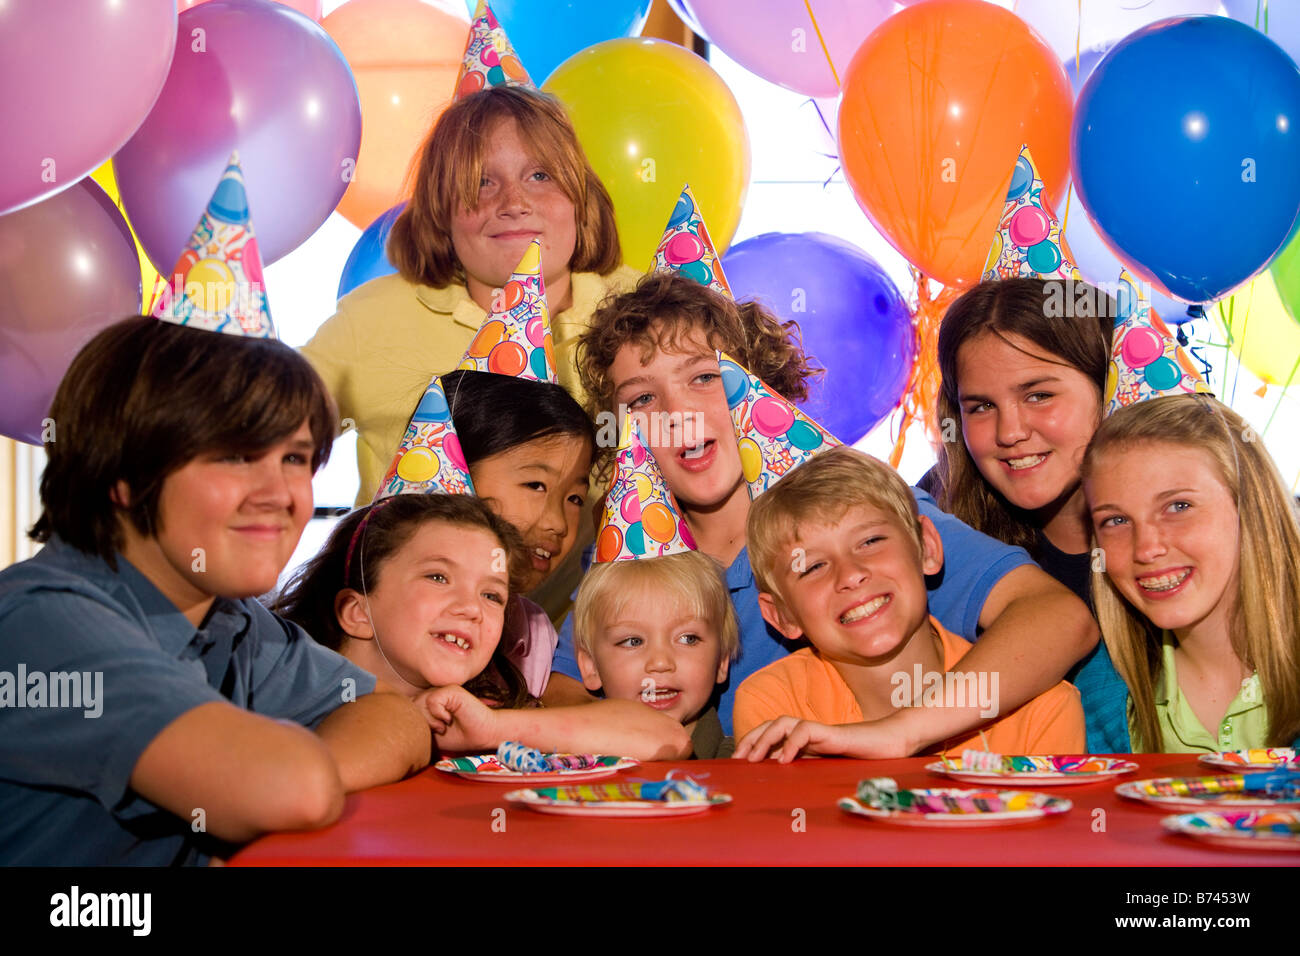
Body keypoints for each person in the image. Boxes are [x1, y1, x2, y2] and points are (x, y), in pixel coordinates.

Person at [544, 273, 1098, 758]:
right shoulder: (631, 555)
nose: (677, 414)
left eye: (704, 378)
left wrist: (908, 730)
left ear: (759, 384)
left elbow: (1058, 618)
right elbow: (566, 695)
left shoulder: (858, 518)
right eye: (641, 399)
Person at [0, 317, 432, 865]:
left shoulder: (233, 620)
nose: (278, 494)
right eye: (235, 455)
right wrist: (277, 779)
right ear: (123, 473)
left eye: (294, 459)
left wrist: (291, 772)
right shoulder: (43, 625)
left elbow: (392, 715)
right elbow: (291, 791)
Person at [301, 86, 642, 506]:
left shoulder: (645, 308)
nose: (514, 203)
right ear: (441, 211)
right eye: (482, 182)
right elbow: (253, 424)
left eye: (540, 176)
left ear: (580, 198)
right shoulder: (372, 320)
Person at [275, 493, 690, 761]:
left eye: (492, 595)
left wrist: (492, 728)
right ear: (357, 612)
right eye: (438, 577)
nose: (472, 609)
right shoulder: (283, 701)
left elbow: (665, 737)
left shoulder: (478, 710)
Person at [732, 446, 1085, 760]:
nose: (850, 575)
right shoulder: (775, 705)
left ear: (927, 547)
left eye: (870, 541)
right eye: (812, 567)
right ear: (782, 616)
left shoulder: (1042, 708)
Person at [1081, 395, 1300, 752]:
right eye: (1116, 520)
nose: (1146, 548)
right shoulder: (1097, 703)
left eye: (1178, 506)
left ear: (1250, 506)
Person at [573, 550, 739, 759]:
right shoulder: (562, 769)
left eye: (688, 638)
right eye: (633, 641)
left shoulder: (746, 768)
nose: (660, 662)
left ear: (722, 659)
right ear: (590, 665)